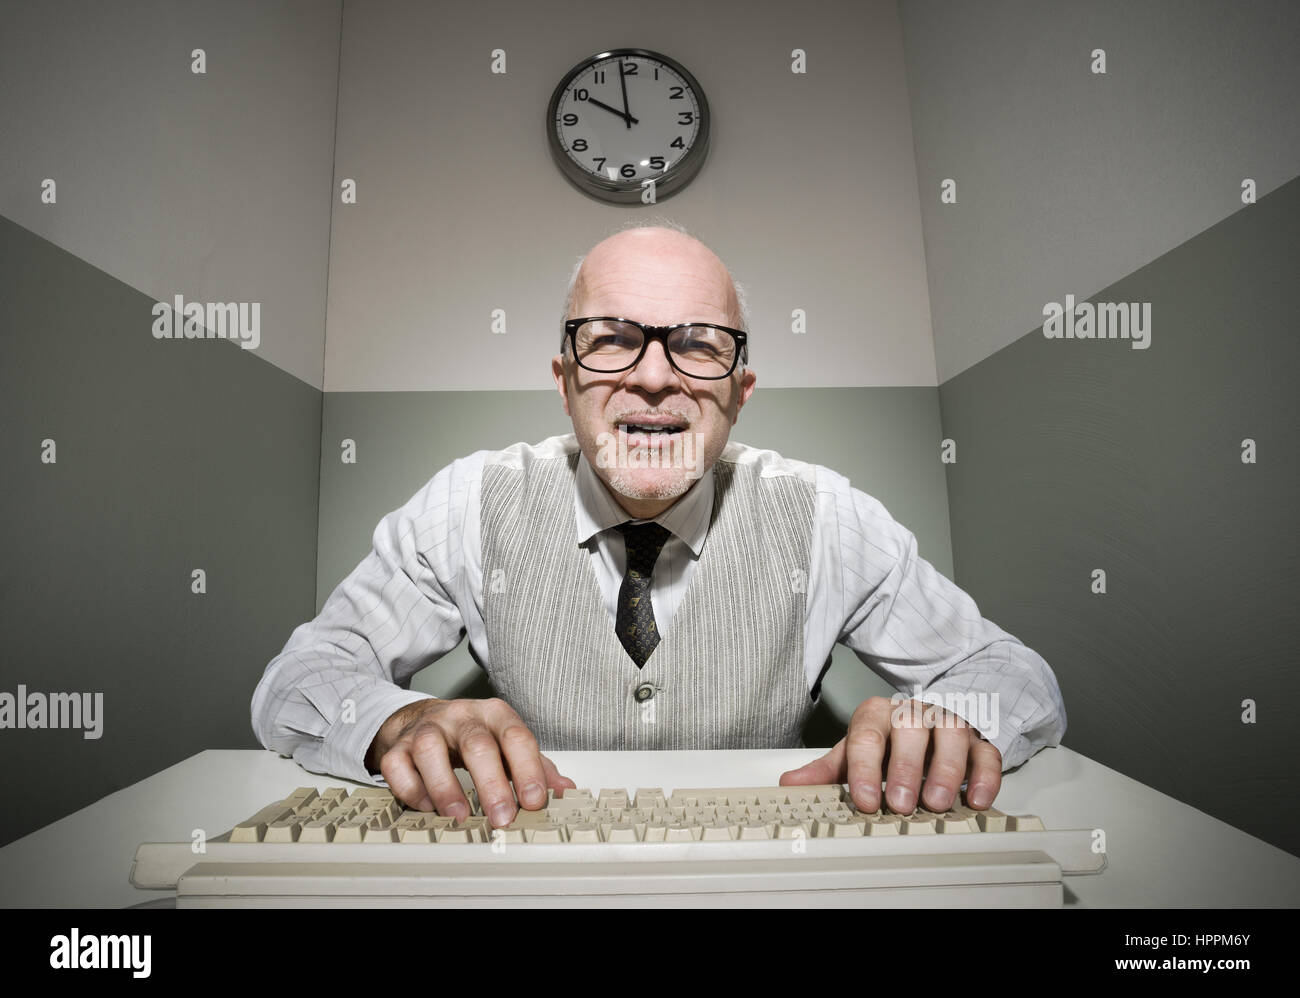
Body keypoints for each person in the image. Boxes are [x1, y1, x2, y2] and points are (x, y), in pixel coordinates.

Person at [251, 222, 1066, 832]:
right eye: (610, 342)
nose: (650, 377)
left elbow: (1012, 672)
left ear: (740, 390)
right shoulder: (466, 505)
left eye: (696, 346)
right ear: (565, 381)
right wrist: (396, 719)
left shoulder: (827, 516)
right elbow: (301, 678)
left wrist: (947, 718)